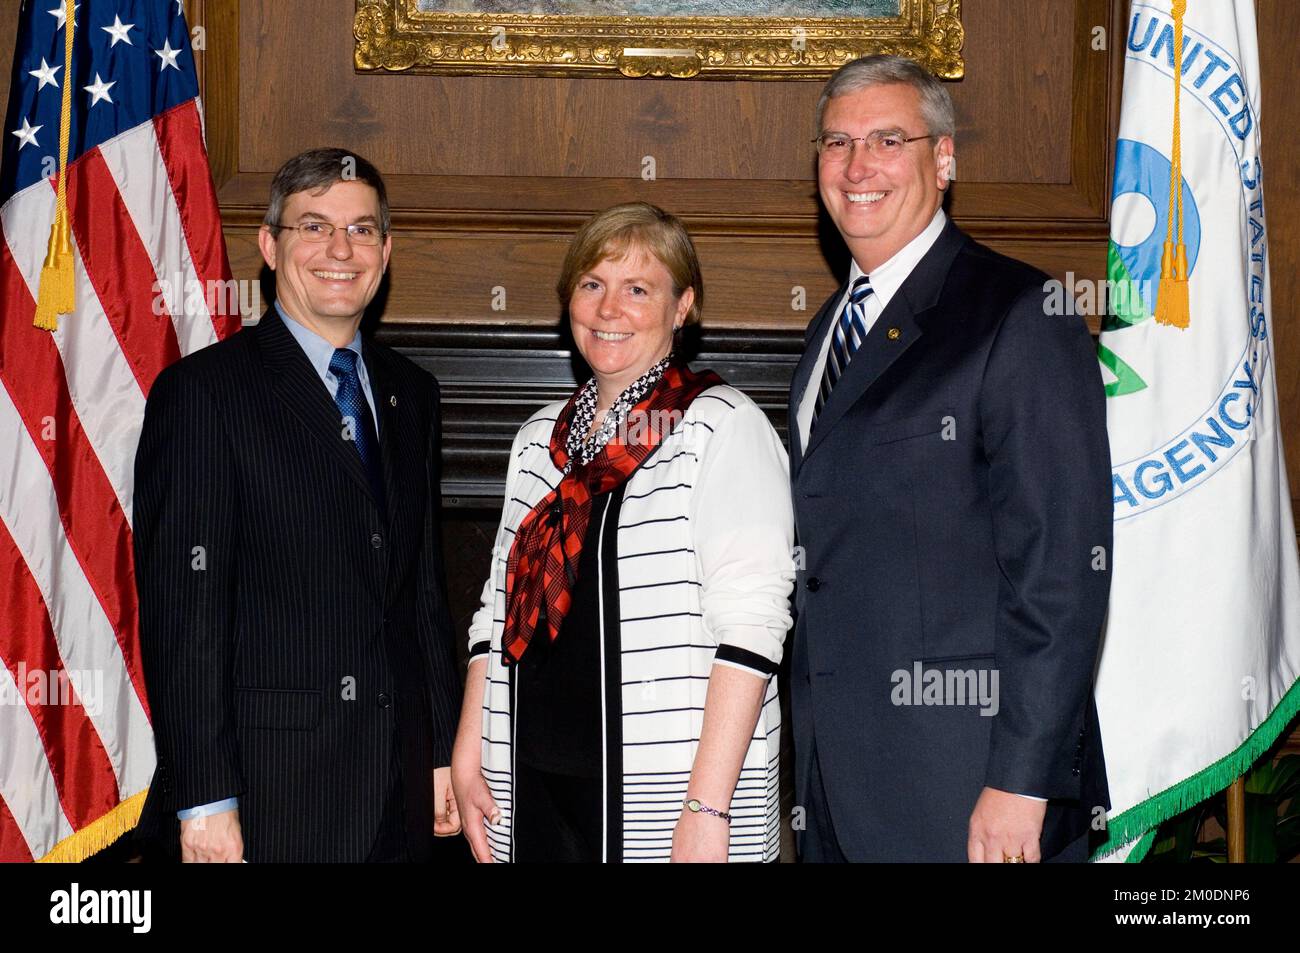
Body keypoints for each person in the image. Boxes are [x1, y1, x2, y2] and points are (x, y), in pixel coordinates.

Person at [788, 56, 1112, 862]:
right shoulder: (828, 327)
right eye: (837, 142)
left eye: (887, 139)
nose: (857, 166)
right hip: (837, 784)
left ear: (943, 159)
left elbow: (1061, 573)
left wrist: (1023, 782)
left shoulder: (1019, 313)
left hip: (969, 788)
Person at [134, 147, 462, 862]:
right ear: (270, 245)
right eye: (313, 226)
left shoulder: (414, 393)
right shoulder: (204, 394)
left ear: (386, 249)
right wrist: (205, 798)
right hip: (268, 795)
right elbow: (184, 615)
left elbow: (424, 594)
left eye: (362, 229)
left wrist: (440, 750)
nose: (340, 249)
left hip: (399, 793)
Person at [451, 202, 794, 862]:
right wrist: (470, 750)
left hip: (667, 801)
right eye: (592, 284)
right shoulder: (536, 442)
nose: (610, 309)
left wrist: (706, 808)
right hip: (529, 790)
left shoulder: (718, 426)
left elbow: (753, 626)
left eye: (638, 288)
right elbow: (495, 611)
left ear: (682, 304)